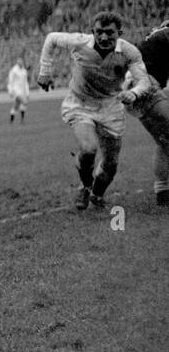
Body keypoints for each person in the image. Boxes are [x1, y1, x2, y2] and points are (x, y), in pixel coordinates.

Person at [37, 11, 155, 211]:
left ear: (119, 32)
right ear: (93, 31)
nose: (103, 37)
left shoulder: (129, 52)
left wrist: (133, 93)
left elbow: (144, 81)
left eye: (109, 33)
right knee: (89, 149)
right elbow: (51, 39)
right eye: (99, 32)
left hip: (111, 106)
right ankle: (84, 186)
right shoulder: (80, 42)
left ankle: (97, 195)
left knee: (110, 164)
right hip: (80, 103)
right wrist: (45, 71)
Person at [130, 21, 169, 207]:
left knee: (165, 140)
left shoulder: (159, 36)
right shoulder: (164, 35)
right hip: (145, 84)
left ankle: (162, 192)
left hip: (137, 88)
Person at [7, 58, 30, 125]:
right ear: (17, 62)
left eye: (22, 61)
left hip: (22, 91)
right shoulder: (14, 70)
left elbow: (26, 83)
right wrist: (10, 91)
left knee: (16, 106)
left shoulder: (24, 71)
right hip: (16, 91)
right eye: (19, 61)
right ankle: (21, 120)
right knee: (25, 102)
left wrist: (27, 92)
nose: (21, 62)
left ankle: (12, 121)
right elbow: (10, 81)